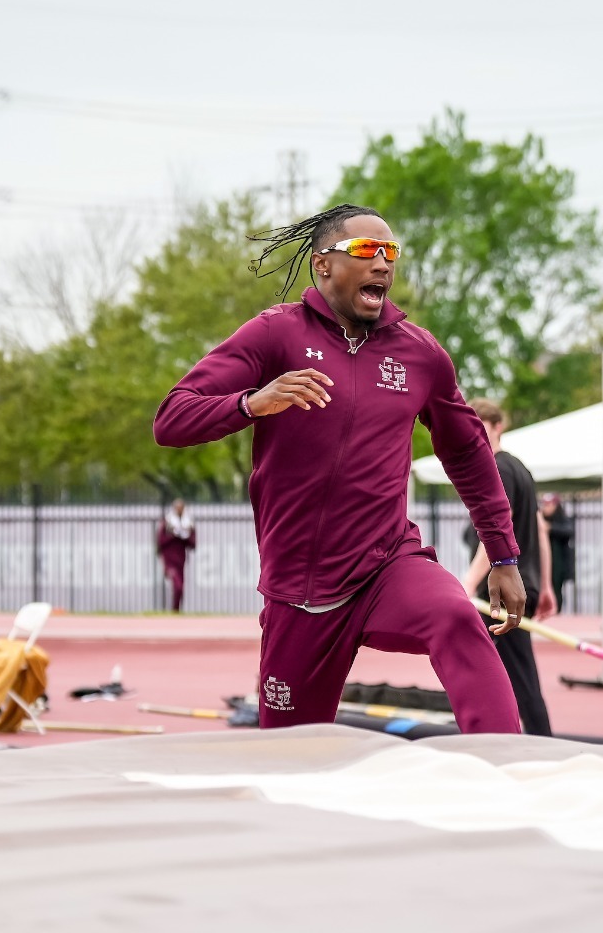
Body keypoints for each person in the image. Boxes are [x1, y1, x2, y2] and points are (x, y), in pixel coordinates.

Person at [153, 204, 526, 734]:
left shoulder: (421, 355)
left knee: (457, 618)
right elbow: (172, 419)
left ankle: (507, 770)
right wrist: (252, 403)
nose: (382, 264)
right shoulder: (274, 334)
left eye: (390, 252)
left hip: (386, 565)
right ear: (323, 265)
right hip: (299, 591)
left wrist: (504, 555)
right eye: (365, 251)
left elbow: (467, 454)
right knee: (288, 757)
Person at [460, 398, 555, 736]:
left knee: (491, 671)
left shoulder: (497, 468)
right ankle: (512, 738)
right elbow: (540, 530)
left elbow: (499, 530)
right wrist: (544, 587)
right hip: (520, 585)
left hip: (500, 590)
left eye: (481, 426)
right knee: (508, 671)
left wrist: (468, 583)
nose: (474, 434)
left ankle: (520, 741)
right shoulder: (520, 468)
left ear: (498, 426)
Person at [156, 498, 197, 612]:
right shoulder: (167, 523)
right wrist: (174, 534)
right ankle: (175, 610)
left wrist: (186, 533)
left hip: (181, 561)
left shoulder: (187, 523)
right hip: (170, 561)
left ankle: (176, 611)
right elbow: (160, 542)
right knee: (178, 586)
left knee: (180, 588)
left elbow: (193, 544)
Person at [539, 492, 576, 612]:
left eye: (550, 505)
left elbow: (568, 531)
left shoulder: (562, 520)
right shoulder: (539, 520)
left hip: (558, 563)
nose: (547, 508)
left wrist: (550, 528)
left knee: (556, 589)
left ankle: (556, 611)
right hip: (540, 562)